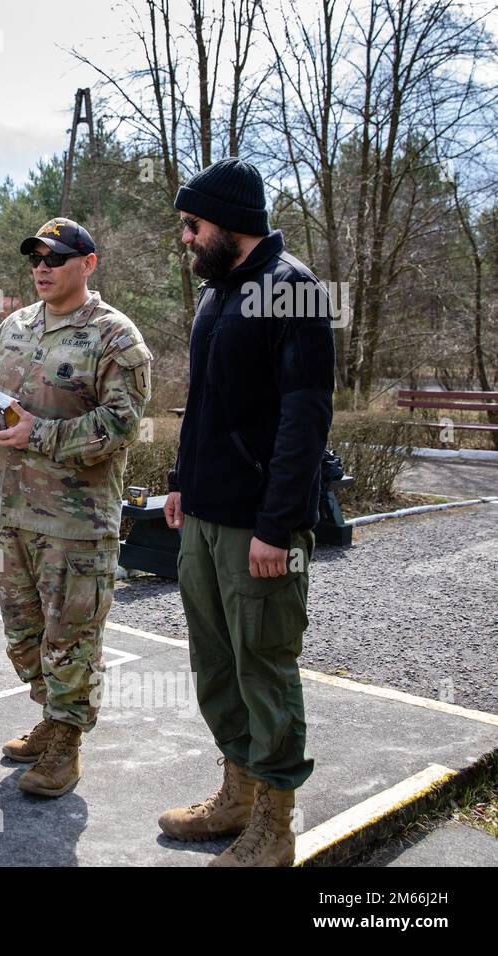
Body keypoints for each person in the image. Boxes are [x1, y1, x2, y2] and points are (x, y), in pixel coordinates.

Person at [158, 158, 335, 866]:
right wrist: (180, 480)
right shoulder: (217, 294)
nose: (186, 238)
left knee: (263, 665)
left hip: (258, 526)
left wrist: (276, 523)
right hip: (204, 515)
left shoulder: (293, 291)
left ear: (229, 223)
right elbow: (204, 401)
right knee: (216, 664)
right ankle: (235, 794)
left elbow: (305, 415)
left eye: (193, 225)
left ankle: (275, 823)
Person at [0, 218, 152, 797]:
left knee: (71, 637)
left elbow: (123, 424)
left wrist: (38, 436)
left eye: (56, 258)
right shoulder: (14, 327)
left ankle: (68, 745)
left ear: (88, 264)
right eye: (36, 259)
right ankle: (50, 716)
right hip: (14, 512)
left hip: (76, 522)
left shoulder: (114, 337)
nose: (43, 268)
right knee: (24, 634)